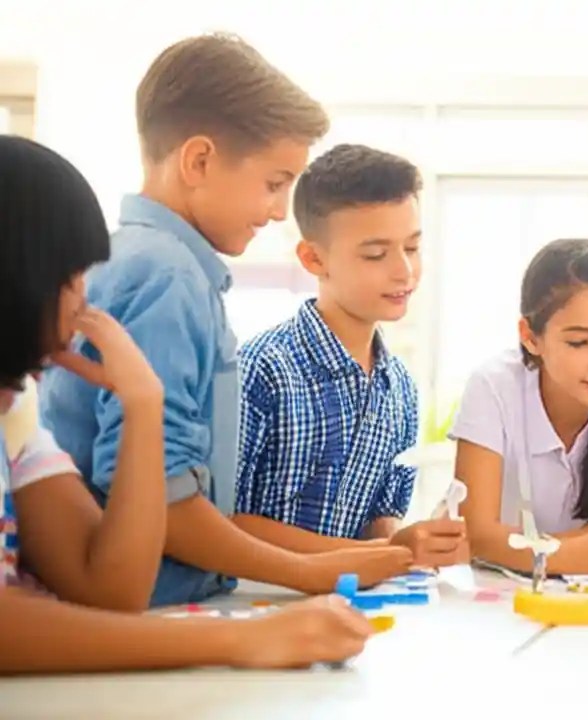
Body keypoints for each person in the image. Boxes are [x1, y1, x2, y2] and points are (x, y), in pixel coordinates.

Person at [38, 33, 410, 608]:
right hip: (140, 600)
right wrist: (314, 571)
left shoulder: (148, 260)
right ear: (200, 161)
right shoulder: (166, 276)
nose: (280, 210)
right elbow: (160, 496)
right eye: (274, 183)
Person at [0, 135, 374, 674]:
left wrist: (144, 403)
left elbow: (112, 590)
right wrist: (239, 640)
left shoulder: (15, 417)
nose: (83, 297)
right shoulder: (165, 269)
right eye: (68, 277)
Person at [234, 144, 466, 567]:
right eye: (376, 254)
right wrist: (384, 552)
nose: (404, 271)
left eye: (412, 248)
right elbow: (226, 522)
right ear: (313, 258)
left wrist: (415, 543)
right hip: (252, 605)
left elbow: (383, 522)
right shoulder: (262, 369)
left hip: (352, 606)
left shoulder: (400, 389)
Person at [451, 239, 588, 579]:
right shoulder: (493, 388)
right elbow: (475, 535)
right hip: (492, 593)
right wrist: (569, 552)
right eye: (579, 342)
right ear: (530, 337)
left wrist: (533, 549)